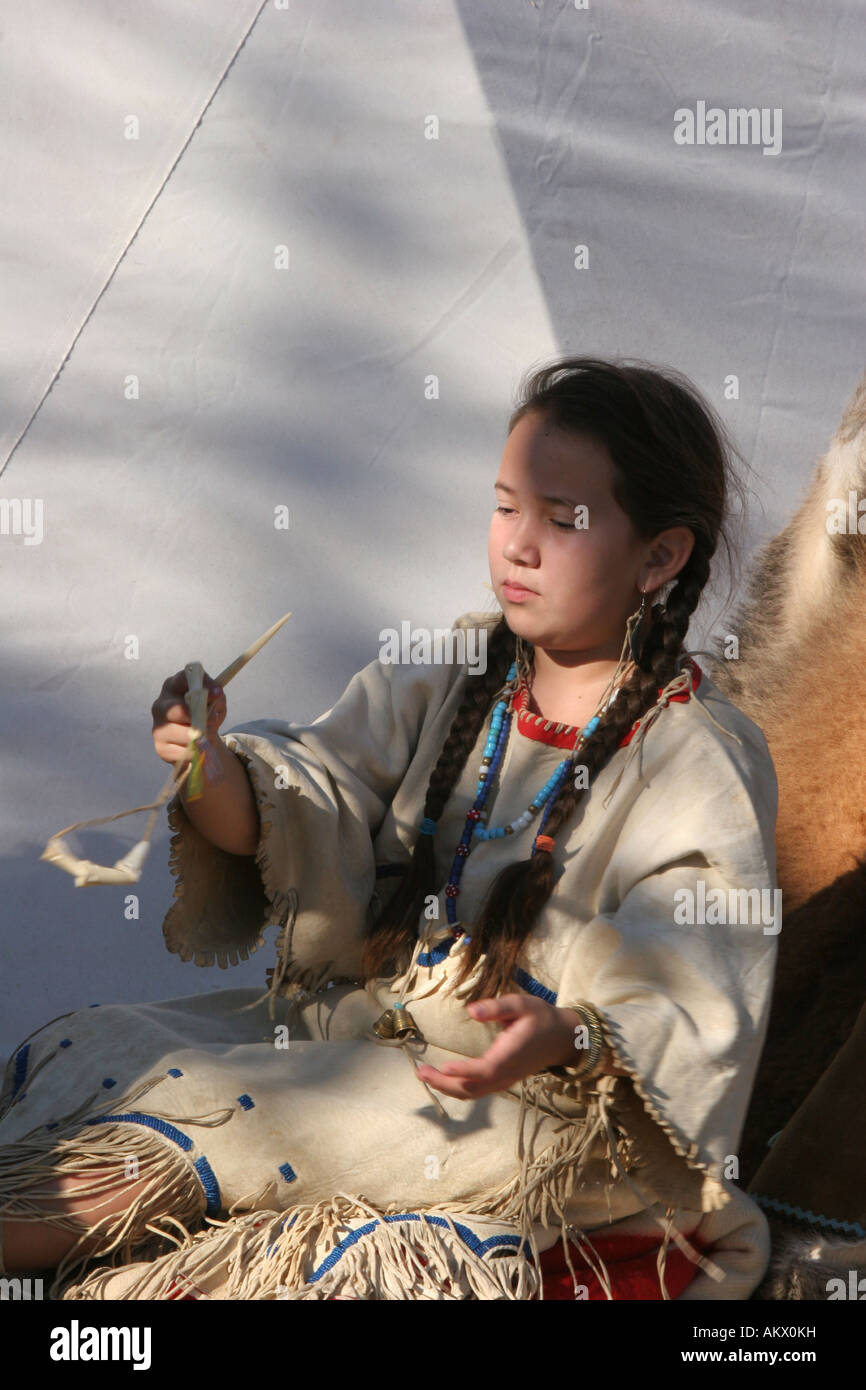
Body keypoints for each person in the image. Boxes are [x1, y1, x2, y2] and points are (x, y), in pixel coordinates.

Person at [0, 356, 779, 1301]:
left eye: (564, 519)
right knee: (113, 1054)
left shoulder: (701, 757)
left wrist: (566, 1033)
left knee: (222, 1128)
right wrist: (206, 761)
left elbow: (696, 988)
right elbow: (306, 802)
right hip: (363, 1040)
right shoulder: (452, 668)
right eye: (506, 506)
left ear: (660, 557)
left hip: (545, 1118)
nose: (518, 546)